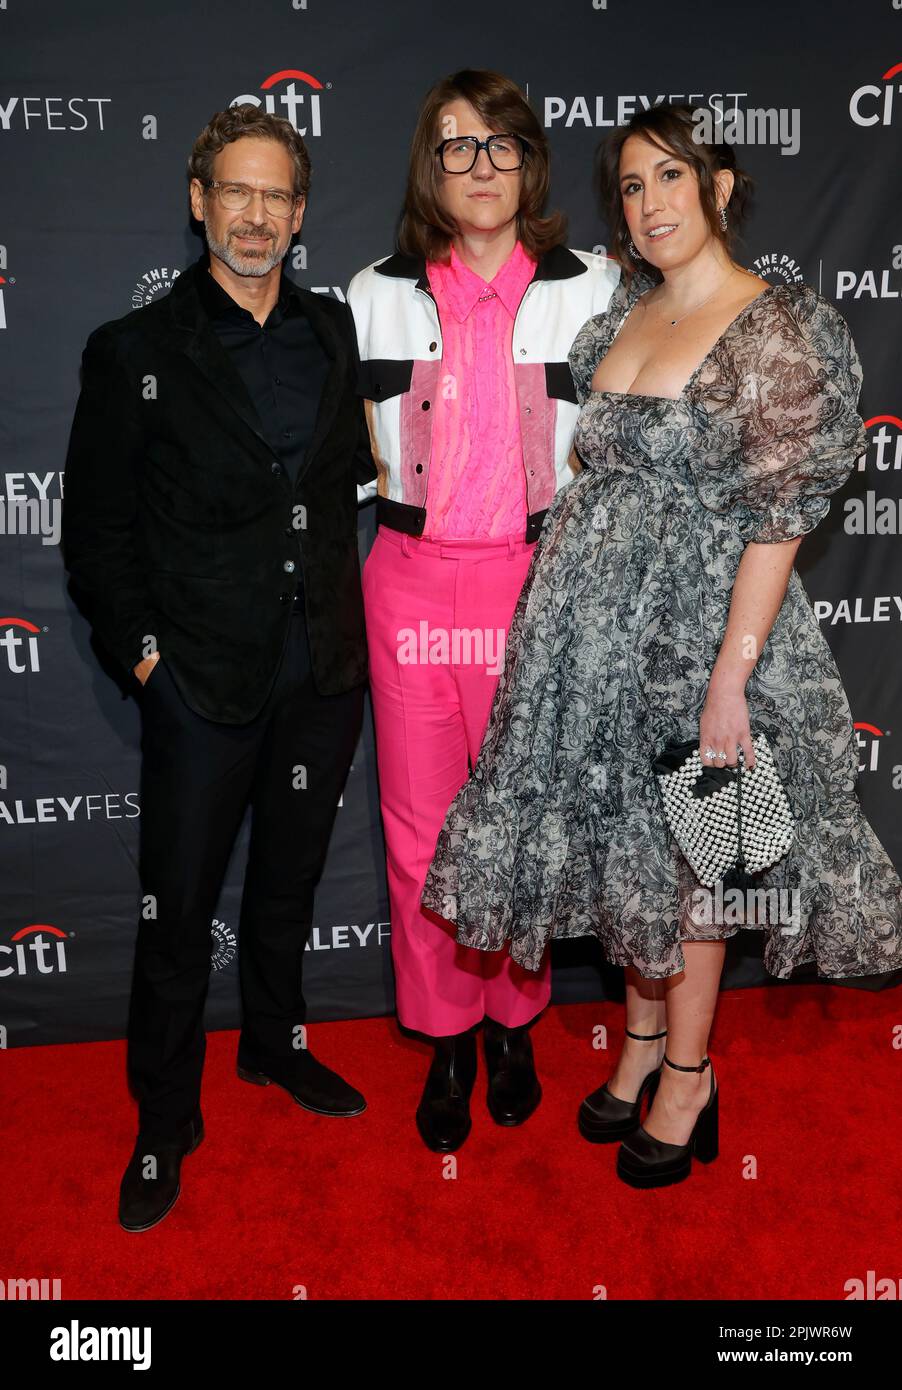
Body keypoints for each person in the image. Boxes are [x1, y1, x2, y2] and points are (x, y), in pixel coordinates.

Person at [420, 102, 902, 1187]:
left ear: (718, 188)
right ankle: (638, 1046)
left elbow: (776, 522)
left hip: (706, 640)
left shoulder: (777, 326)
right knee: (632, 852)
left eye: (668, 179)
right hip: (593, 637)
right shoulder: (621, 318)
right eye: (630, 187)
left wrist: (730, 679)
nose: (647, 204)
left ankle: (691, 1071)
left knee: (700, 864)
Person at [62, 105, 377, 1231]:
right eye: (232, 192)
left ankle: (275, 1048)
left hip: (319, 674)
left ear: (299, 214)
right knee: (178, 908)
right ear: (199, 199)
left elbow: (346, 484)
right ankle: (163, 1117)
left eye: (275, 197)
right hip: (200, 680)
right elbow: (96, 537)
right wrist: (147, 660)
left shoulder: (330, 331)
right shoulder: (134, 350)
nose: (254, 216)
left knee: (287, 888)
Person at [347, 69, 620, 1152]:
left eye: (500, 145)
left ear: (528, 161)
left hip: (534, 579)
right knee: (421, 831)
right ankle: (446, 1036)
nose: (480, 166)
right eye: (457, 146)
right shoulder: (373, 293)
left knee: (524, 817)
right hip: (409, 579)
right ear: (430, 163)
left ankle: (513, 1022)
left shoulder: (592, 287)